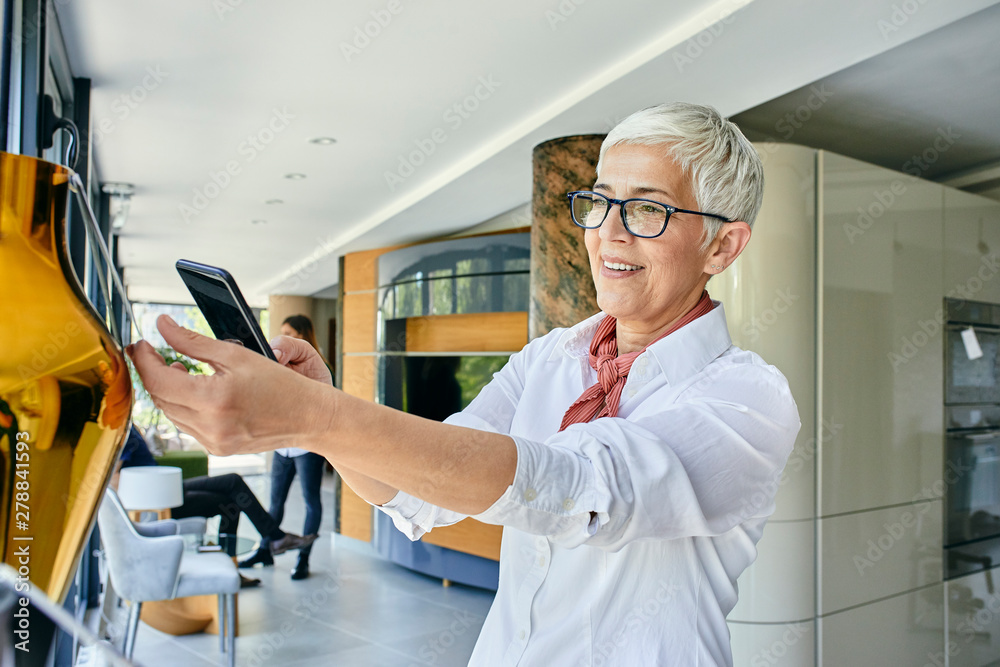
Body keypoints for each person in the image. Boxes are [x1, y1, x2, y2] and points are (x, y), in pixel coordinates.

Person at [129, 102, 801, 665]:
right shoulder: (548, 359)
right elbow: (426, 488)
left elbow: (577, 488)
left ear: (722, 246)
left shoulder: (747, 400)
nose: (607, 233)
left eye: (647, 211)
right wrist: (326, 412)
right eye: (600, 203)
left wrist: (317, 416)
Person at [114, 424, 317, 587]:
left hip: (167, 489)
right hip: (158, 500)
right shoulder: (118, 429)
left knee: (233, 490)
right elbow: (113, 478)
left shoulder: (124, 425)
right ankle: (272, 540)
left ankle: (261, 547)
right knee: (233, 492)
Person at [239, 315, 328, 580]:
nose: (282, 337)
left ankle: (303, 559)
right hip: (283, 446)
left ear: (302, 335)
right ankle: (265, 549)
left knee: (312, 501)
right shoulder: (280, 365)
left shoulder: (319, 368)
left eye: (288, 332)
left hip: (308, 446)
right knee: (275, 502)